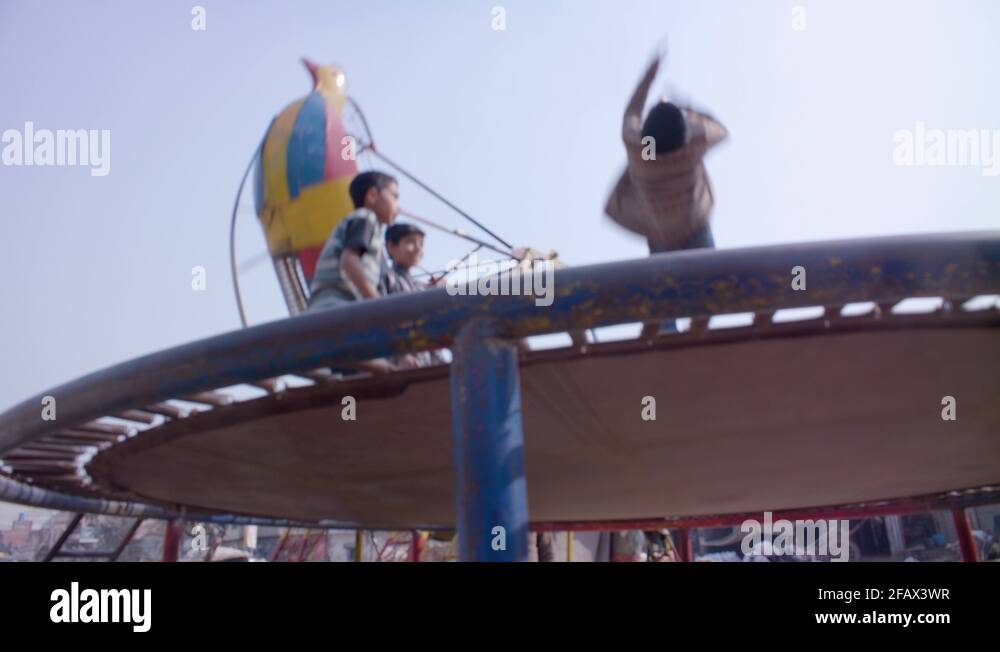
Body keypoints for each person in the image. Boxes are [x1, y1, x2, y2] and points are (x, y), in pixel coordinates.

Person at [605, 53, 728, 336]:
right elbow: (719, 128)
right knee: (708, 283)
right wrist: (686, 106)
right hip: (694, 227)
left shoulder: (638, 147)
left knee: (664, 291)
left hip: (660, 232)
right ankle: (700, 326)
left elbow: (632, 111)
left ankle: (668, 331)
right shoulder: (694, 143)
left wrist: (648, 76)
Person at [308, 170, 399, 311]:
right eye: (394, 196)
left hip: (323, 305)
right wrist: (377, 302)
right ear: (372, 195)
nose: (399, 207)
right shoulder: (366, 218)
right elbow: (349, 261)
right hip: (338, 305)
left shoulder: (358, 221)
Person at [383, 222, 447, 367]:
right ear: (391, 247)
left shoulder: (420, 287)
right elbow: (382, 319)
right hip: (401, 361)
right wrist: (400, 355)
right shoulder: (387, 278)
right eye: (410, 242)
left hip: (424, 361)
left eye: (421, 244)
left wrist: (438, 294)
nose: (418, 248)